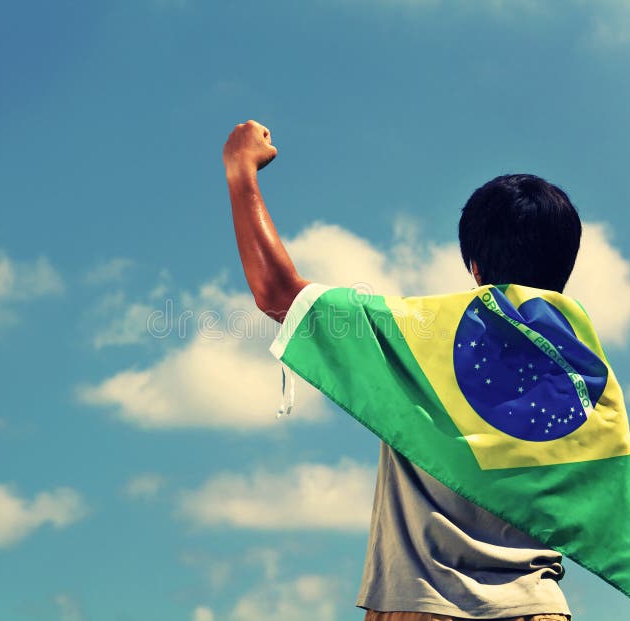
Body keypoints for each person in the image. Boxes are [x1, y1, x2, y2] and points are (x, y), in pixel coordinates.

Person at [223, 119, 576, 621]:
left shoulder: (422, 338)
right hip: (538, 608)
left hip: (425, 605)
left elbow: (276, 292)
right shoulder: (583, 377)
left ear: (474, 266)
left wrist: (241, 170)